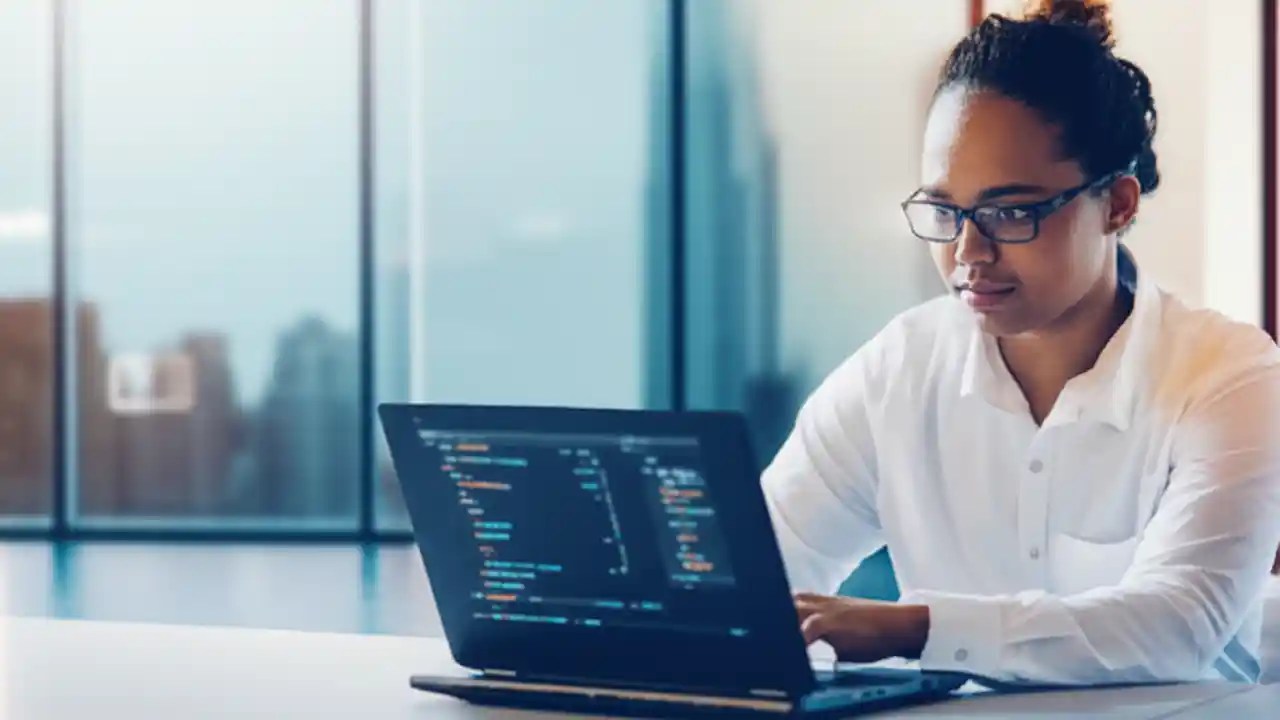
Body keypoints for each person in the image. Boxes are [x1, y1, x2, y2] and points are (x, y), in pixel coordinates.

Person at [764, 0, 1280, 685]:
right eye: (946, 211)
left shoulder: (1231, 378)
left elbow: (1174, 626)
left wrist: (915, 627)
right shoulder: (900, 369)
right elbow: (761, 571)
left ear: (1118, 204)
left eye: (1012, 212)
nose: (968, 252)